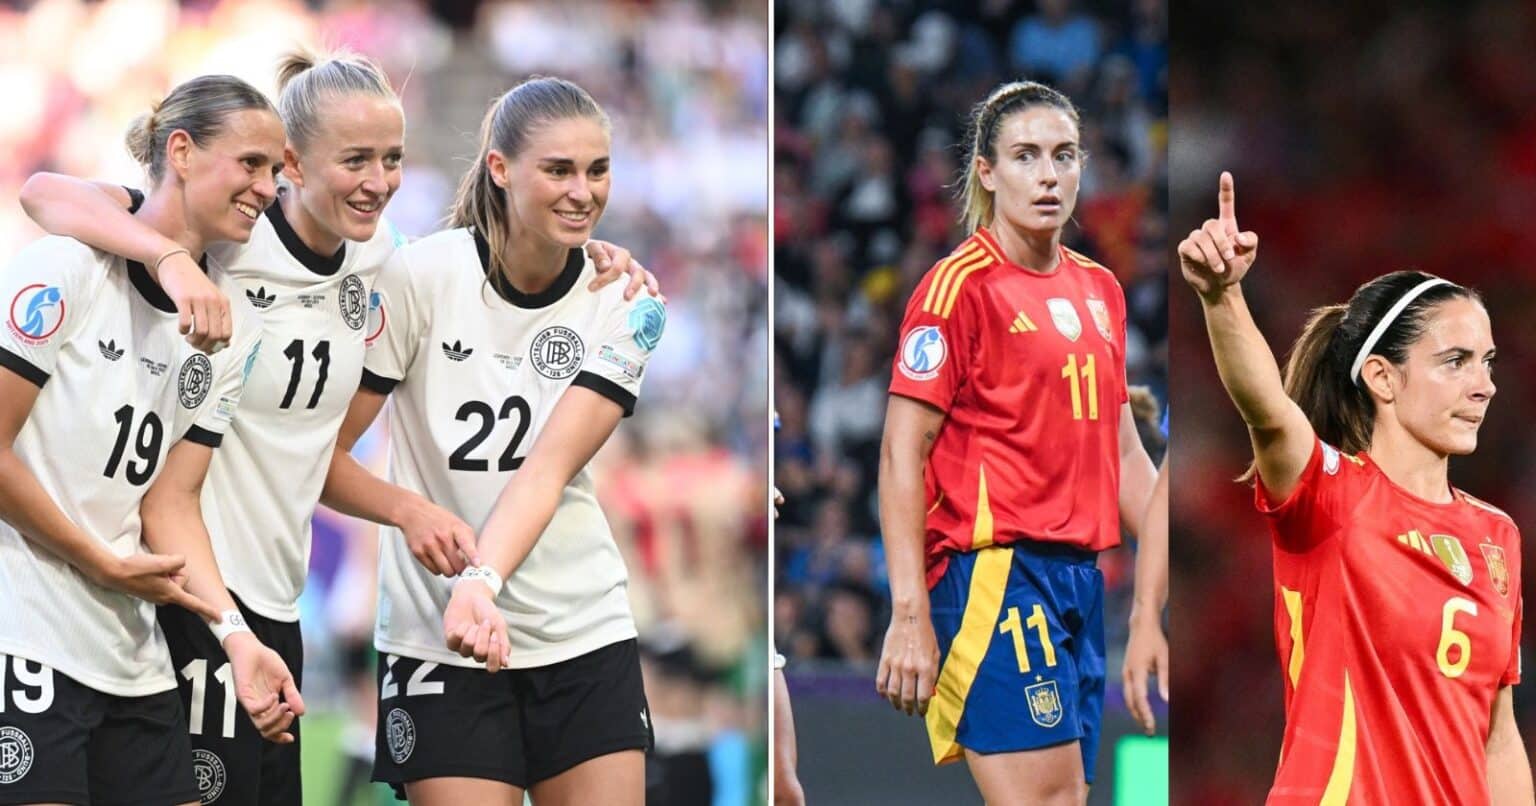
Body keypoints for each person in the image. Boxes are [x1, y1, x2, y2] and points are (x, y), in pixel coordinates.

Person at [18, 50, 655, 806]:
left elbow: (331, 446)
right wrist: (170, 259)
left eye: (392, 159)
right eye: (355, 159)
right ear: (291, 163)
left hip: (279, 605)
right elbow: (46, 194)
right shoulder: (229, 233)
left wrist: (579, 251)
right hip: (201, 587)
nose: (379, 181)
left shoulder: (383, 259)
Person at [322, 76, 662, 806]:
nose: (583, 191)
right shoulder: (420, 276)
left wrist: (481, 580)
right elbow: (320, 458)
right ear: (501, 169)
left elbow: (547, 470)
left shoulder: (629, 305)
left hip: (581, 631)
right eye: (559, 169)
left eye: (597, 170)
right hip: (435, 638)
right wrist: (409, 512)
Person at [1182, 172, 1530, 803]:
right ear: (1382, 377)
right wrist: (1222, 297)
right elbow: (1265, 407)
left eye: (1487, 362)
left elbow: (1497, 736)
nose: (1484, 385)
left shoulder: (1496, 536)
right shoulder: (1332, 497)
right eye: (1455, 361)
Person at [875, 80, 1157, 805]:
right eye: (1026, 156)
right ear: (987, 171)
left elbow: (1125, 456)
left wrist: (1167, 577)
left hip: (1080, 582)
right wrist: (908, 613)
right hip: (996, 575)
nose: (1049, 175)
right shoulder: (957, 288)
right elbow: (901, 452)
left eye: (1064, 156)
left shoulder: (1102, 290)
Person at [0, 74, 279, 806]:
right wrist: (100, 561)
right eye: (252, 163)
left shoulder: (232, 326)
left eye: (276, 170)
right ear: (180, 151)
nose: (268, 186)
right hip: (23, 632)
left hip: (130, 652)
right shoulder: (66, 269)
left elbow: (172, 501)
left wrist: (237, 635)